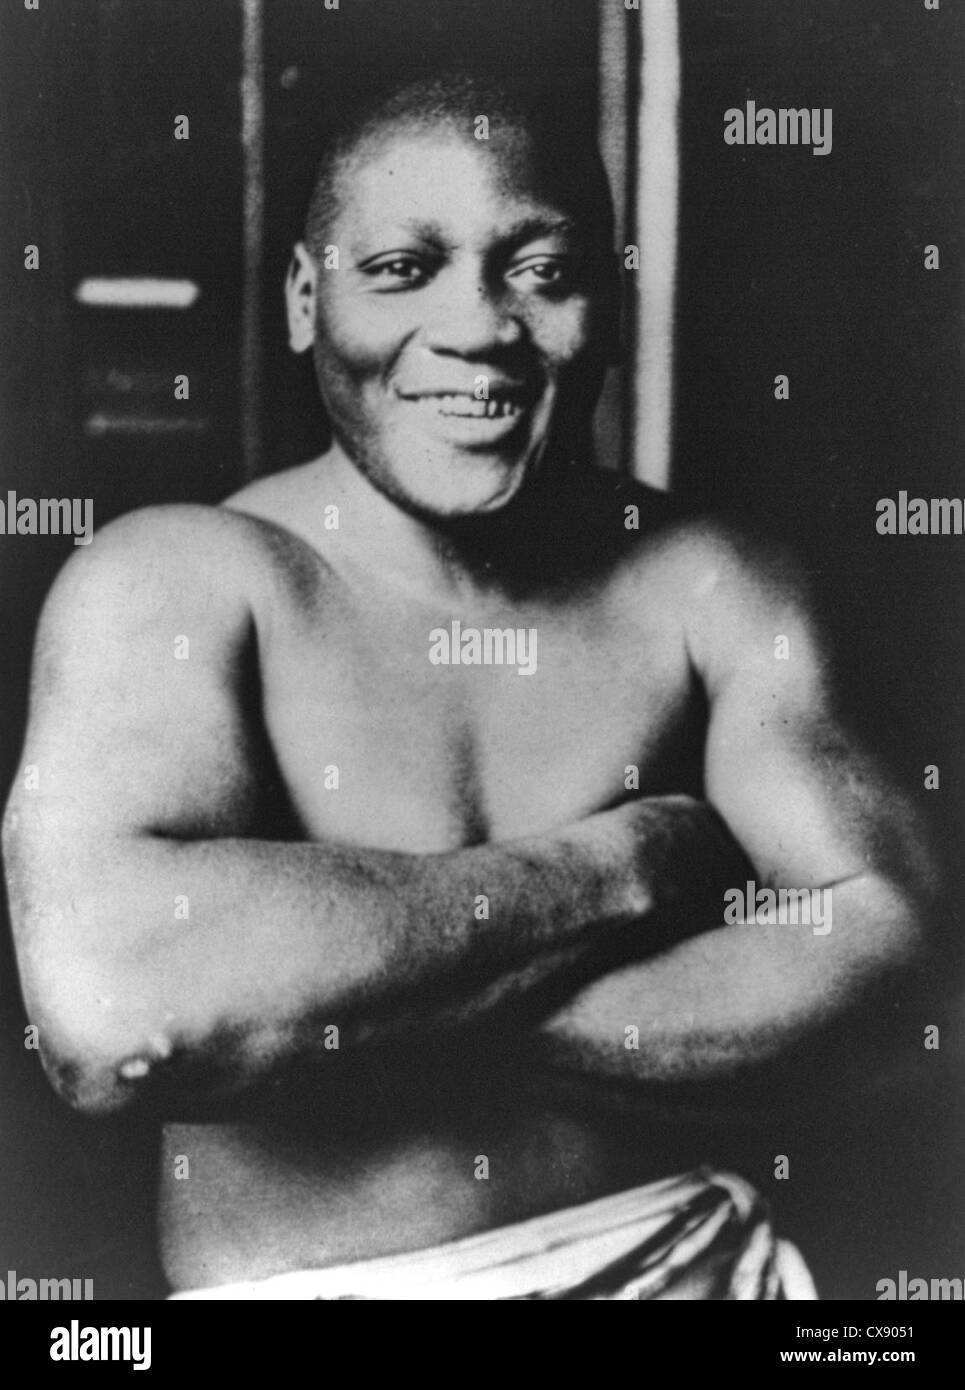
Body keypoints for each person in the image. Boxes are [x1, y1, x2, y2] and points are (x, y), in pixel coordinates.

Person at [3, 73, 936, 1300]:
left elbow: (897, 958)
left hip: (694, 1267)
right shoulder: (176, 579)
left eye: (542, 272)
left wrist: (336, 1007)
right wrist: (630, 865)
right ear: (302, 298)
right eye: (402, 268)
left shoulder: (712, 580)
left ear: (608, 300)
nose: (480, 328)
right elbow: (122, 1015)